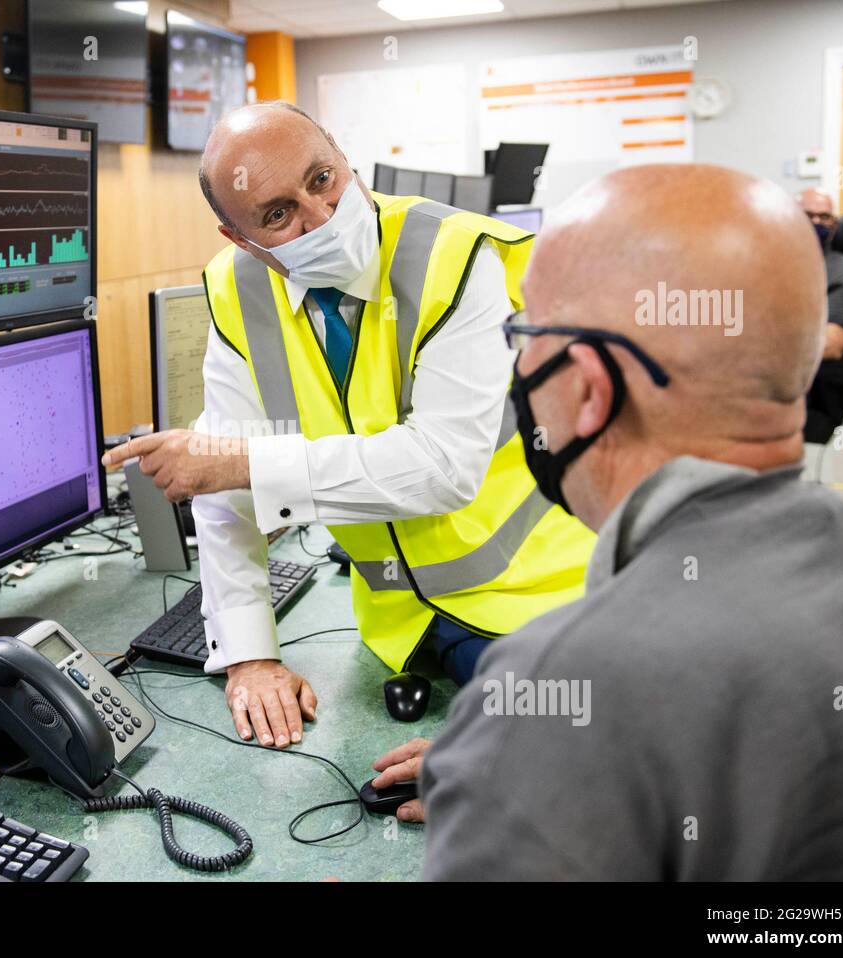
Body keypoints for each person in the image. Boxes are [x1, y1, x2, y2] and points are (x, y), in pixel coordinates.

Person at [371, 163, 843, 878]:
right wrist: (527, 775)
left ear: (588, 386)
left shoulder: (555, 685)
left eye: (525, 335)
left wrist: (519, 765)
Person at [101, 101, 595, 748]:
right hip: (402, 625)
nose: (322, 216)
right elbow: (222, 494)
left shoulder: (454, 255)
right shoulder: (235, 289)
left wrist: (244, 462)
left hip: (539, 605)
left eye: (322, 178)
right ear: (240, 239)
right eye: (278, 215)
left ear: (340, 152)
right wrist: (250, 654)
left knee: (568, 773)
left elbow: (443, 467)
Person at [798, 188, 843, 360]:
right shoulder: (781, 264)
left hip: (811, 379)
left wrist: (764, 353)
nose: (816, 222)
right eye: (808, 215)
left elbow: (831, 346)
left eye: (824, 217)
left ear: (834, 225)